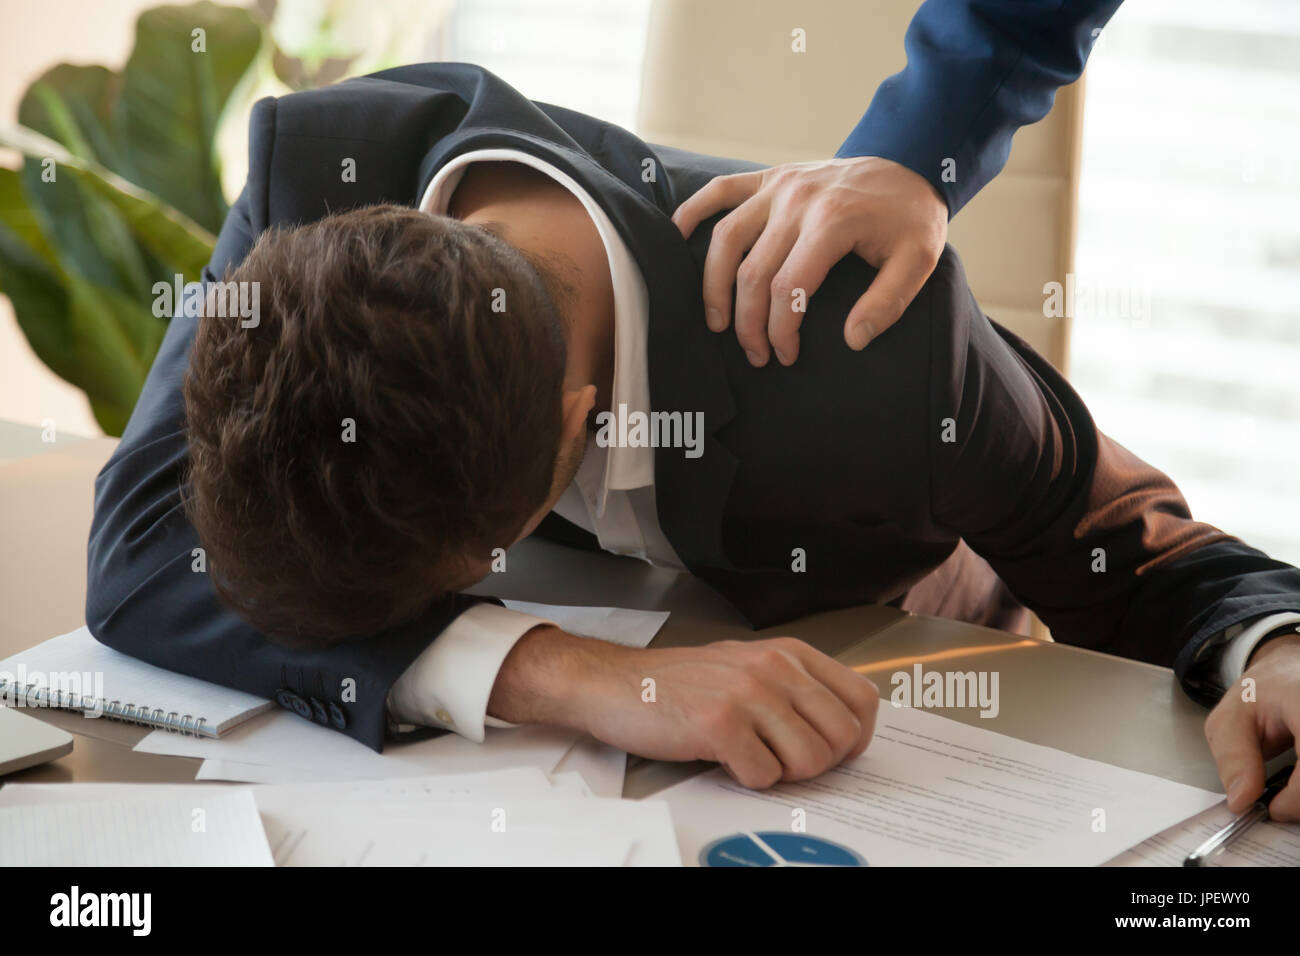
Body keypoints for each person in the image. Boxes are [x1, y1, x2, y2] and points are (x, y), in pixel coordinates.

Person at [86, 63, 1300, 810]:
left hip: (914, 751)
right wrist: (575, 674)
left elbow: (1128, 545)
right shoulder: (323, 190)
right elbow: (144, 547)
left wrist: (1272, 646)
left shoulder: (868, 341)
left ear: (573, 432)